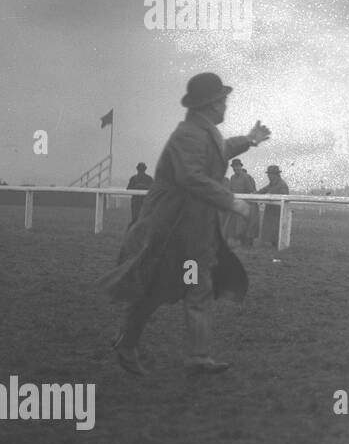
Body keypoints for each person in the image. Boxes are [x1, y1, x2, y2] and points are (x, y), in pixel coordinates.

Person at [98, 72, 271, 375]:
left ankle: (198, 356)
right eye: (222, 101)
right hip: (169, 233)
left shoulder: (201, 131)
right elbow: (191, 177)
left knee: (197, 286)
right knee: (152, 291)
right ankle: (126, 344)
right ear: (211, 104)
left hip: (194, 234)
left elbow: (222, 149)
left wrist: (249, 140)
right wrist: (232, 201)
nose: (225, 107)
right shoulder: (189, 135)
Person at [226, 159, 258, 246]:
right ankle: (242, 243)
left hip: (246, 205)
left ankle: (248, 244)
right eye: (234, 167)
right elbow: (230, 190)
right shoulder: (232, 178)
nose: (236, 168)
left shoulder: (246, 177)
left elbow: (251, 190)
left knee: (246, 225)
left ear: (240, 167)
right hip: (237, 205)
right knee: (237, 225)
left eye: (237, 166)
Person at [258, 165, 290, 247]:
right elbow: (263, 190)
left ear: (275, 174)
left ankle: (277, 244)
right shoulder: (272, 184)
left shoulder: (282, 184)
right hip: (271, 209)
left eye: (270, 174)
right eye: (268, 174)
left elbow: (285, 196)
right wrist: (253, 194)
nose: (268, 176)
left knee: (277, 228)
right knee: (270, 227)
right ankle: (273, 243)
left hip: (278, 211)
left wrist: (271, 195)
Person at [125, 162, 154, 228]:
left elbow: (153, 189)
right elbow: (128, 188)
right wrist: (137, 187)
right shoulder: (133, 178)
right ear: (137, 169)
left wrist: (144, 187)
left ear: (145, 169)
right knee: (135, 217)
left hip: (145, 201)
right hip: (135, 201)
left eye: (142, 169)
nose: (141, 171)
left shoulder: (149, 179)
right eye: (140, 169)